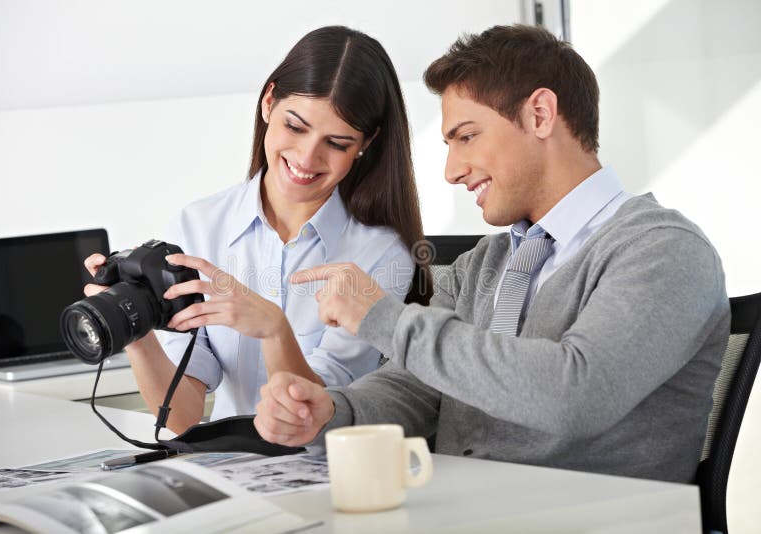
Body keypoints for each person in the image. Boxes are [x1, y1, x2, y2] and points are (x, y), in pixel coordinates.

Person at [252, 24, 730, 483]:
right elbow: (417, 387)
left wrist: (383, 318)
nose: (452, 170)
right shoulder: (481, 264)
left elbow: (578, 394)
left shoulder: (664, 250)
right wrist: (332, 412)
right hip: (461, 512)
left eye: (466, 136)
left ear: (540, 115)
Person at [84, 26, 430, 434]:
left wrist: (274, 330)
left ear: (364, 145)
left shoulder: (380, 255)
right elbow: (181, 416)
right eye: (295, 127)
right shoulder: (198, 226)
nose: (307, 158)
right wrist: (134, 326)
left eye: (336, 143)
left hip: (329, 463)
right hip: (227, 464)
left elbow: (309, 417)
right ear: (269, 102)